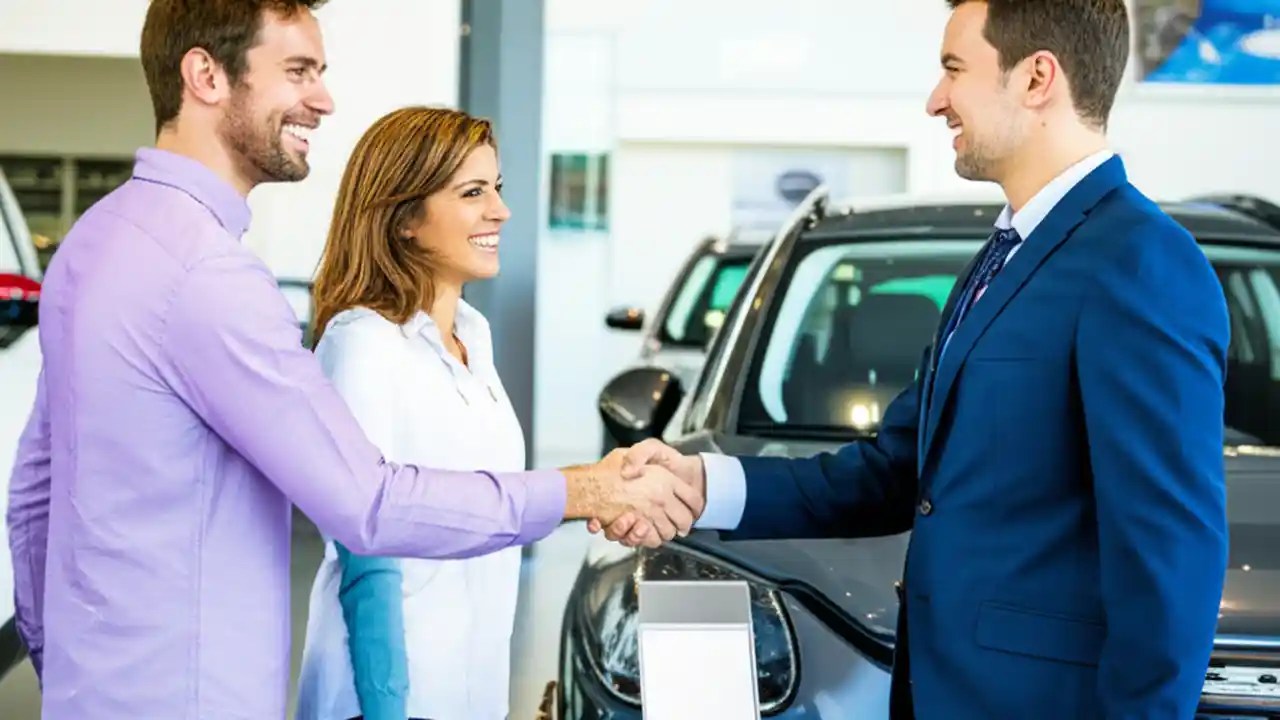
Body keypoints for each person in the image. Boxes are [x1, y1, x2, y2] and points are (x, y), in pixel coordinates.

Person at [4, 2, 702, 718]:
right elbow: (367, 504)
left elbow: (33, 498)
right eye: (297, 71)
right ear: (205, 75)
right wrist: (584, 490)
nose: (324, 99)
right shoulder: (210, 276)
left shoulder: (96, 241)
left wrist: (69, 676)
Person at [597, 1, 1230, 718]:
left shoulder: (1140, 262)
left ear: (1037, 78)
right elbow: (894, 472)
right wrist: (702, 482)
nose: (936, 100)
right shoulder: (1000, 261)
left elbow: (1169, 556)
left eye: (954, 69)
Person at [293, 106, 530, 720]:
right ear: (404, 220)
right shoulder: (363, 342)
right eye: (472, 192)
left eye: (496, 189)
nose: (499, 211)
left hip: (472, 698)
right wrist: (387, 708)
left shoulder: (474, 338)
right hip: (386, 703)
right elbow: (363, 552)